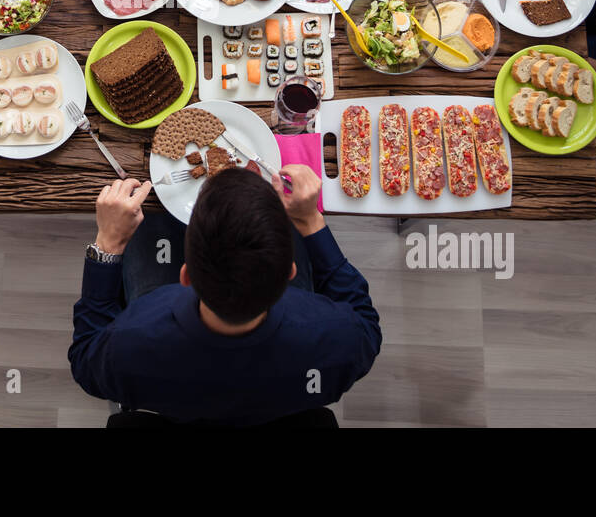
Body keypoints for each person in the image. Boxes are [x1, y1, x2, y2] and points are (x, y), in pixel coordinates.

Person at [69, 165, 381, 425]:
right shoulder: (339, 339)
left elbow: (85, 360)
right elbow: (365, 321)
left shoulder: (130, 341)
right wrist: (311, 221)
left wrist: (108, 242)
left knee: (152, 223)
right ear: (290, 272)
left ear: (185, 276)